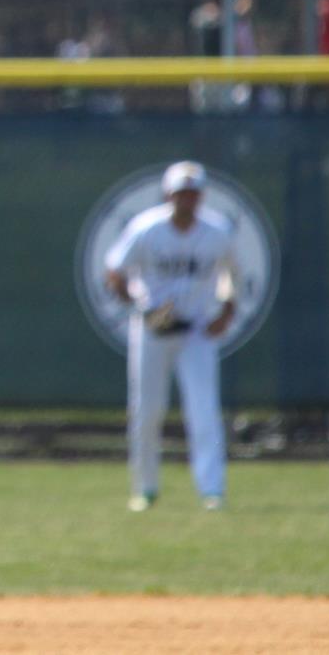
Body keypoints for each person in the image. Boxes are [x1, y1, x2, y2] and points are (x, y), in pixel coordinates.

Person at [103, 161, 237, 513]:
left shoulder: (216, 231)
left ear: (201, 196)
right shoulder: (147, 228)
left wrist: (226, 312)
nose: (185, 199)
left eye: (191, 193)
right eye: (180, 193)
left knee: (204, 410)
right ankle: (145, 488)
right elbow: (115, 271)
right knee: (147, 411)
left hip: (196, 330)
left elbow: (230, 274)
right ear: (168, 195)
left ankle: (212, 490)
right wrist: (138, 304)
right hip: (153, 329)